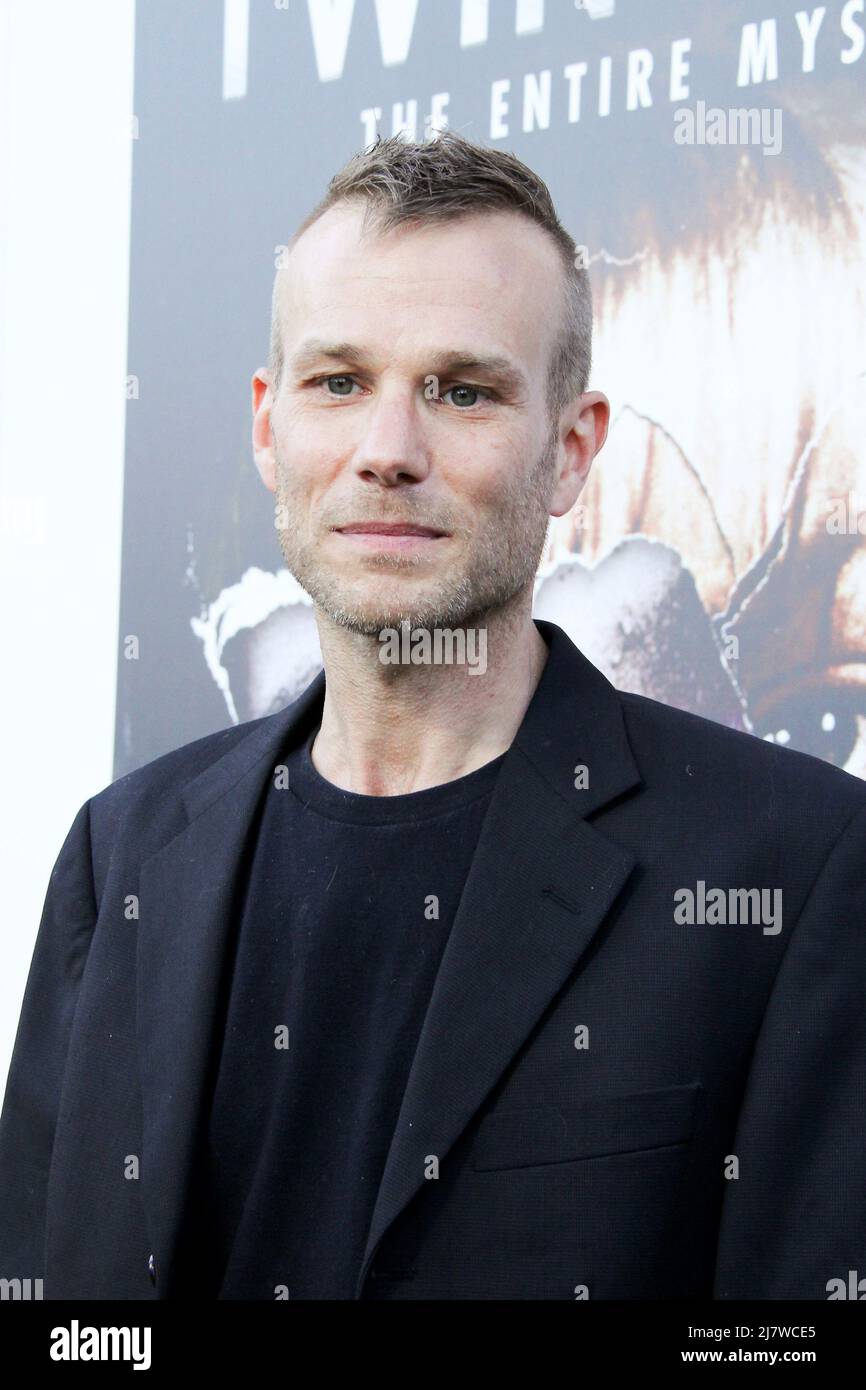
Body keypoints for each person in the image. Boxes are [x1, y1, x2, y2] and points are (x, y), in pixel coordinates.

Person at [1, 130, 864, 1301]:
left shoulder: (798, 866)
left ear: (569, 449)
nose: (387, 452)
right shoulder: (126, 853)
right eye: (338, 382)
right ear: (268, 427)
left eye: (461, 390)